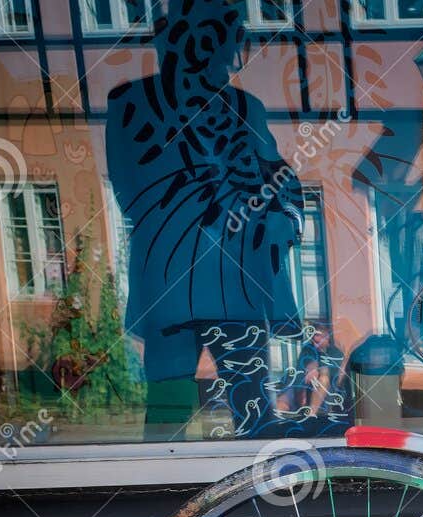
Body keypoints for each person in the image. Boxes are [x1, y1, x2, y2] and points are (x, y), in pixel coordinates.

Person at [106, 0, 303, 440]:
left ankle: (263, 498)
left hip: (237, 278)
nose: (212, 51)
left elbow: (280, 176)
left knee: (251, 402)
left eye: (223, 38)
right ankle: (164, 498)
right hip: (171, 274)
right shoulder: (130, 103)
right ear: (173, 37)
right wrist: (219, 187)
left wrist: (284, 218)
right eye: (201, 35)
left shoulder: (245, 107)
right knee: (168, 404)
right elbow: (133, 193)